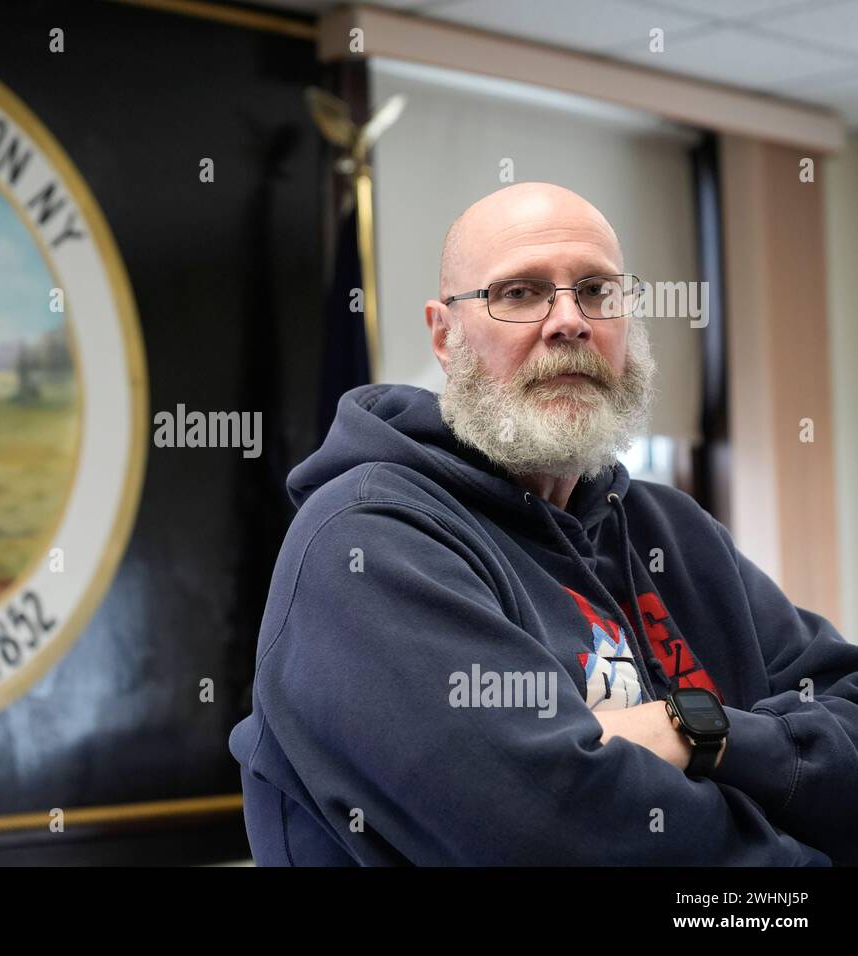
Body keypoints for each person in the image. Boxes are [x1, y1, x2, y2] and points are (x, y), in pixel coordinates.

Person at [228, 181, 858, 865]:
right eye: (521, 293)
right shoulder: (366, 543)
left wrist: (687, 730)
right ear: (444, 335)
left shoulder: (670, 530)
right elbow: (560, 838)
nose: (570, 321)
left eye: (596, 290)